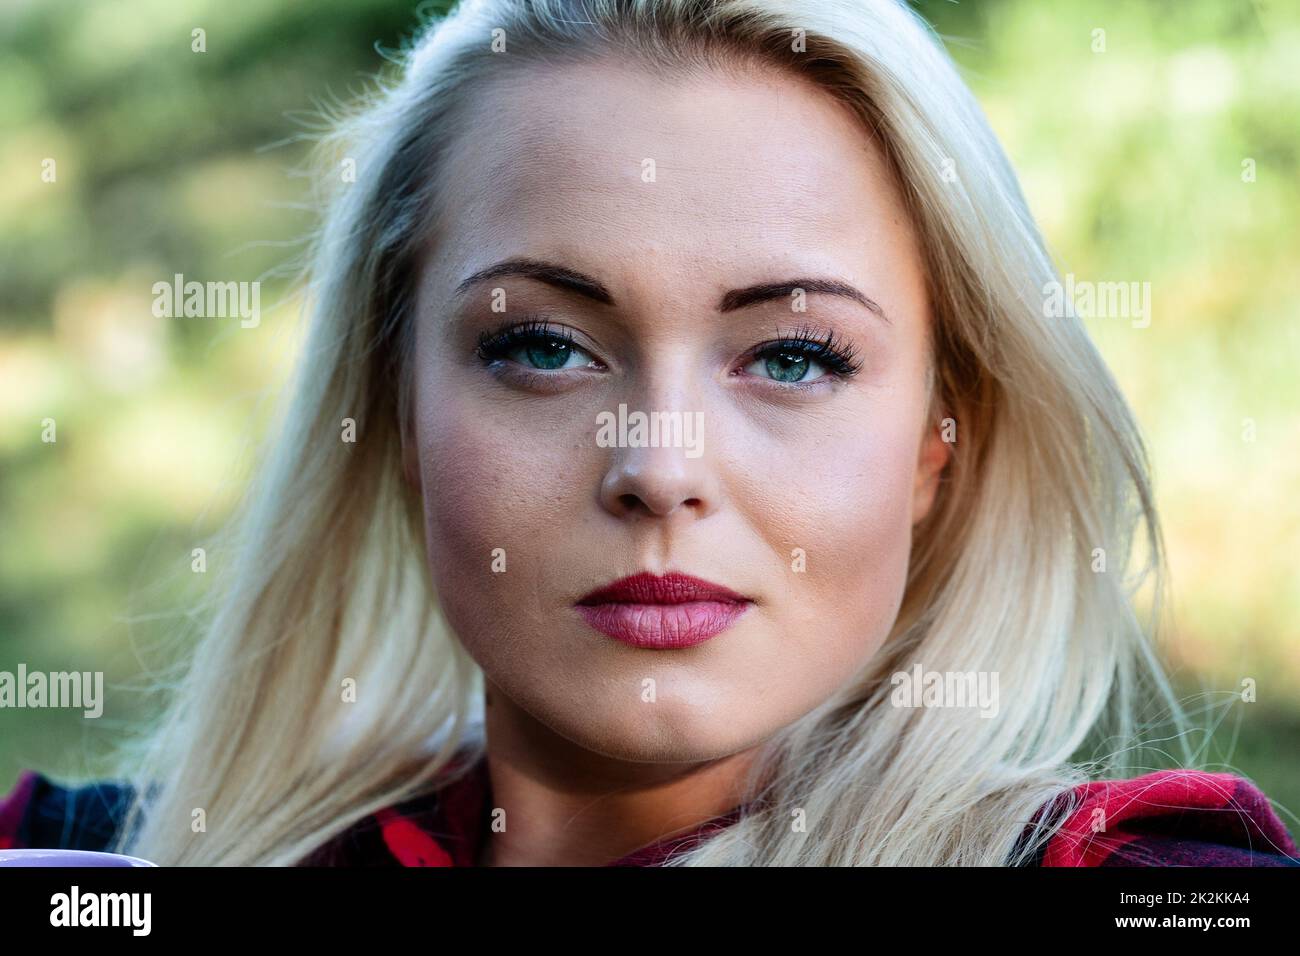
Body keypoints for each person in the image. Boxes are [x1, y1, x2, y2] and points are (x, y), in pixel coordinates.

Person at [3, 0, 1296, 866]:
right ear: (395, 409)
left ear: (932, 446)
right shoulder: (96, 864)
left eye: (793, 356)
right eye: (542, 347)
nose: (660, 467)